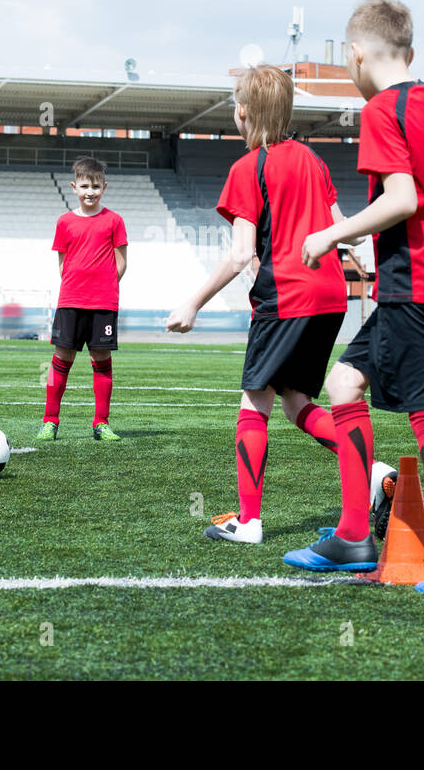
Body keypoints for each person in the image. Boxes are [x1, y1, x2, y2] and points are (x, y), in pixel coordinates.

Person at [283, 0, 424, 600]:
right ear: (410, 51)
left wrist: (332, 232)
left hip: (414, 283)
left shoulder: (383, 111)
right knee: (343, 384)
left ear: (356, 54)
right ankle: (355, 534)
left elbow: (403, 199)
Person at [166, 64, 350, 544]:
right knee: (296, 403)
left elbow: (241, 252)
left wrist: (193, 303)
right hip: (331, 296)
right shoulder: (314, 161)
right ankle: (375, 477)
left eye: (234, 101)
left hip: (286, 296)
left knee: (254, 402)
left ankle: (248, 522)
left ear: (243, 112)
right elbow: (342, 226)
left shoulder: (248, 168)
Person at [37, 156, 128, 442]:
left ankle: (101, 423)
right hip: (70, 302)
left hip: (103, 305)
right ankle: (50, 421)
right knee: (61, 359)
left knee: (101, 360)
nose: (91, 191)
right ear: (74, 187)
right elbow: (63, 264)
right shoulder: (64, 222)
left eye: (96, 186)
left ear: (105, 187)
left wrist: (105, 288)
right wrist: (76, 287)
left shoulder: (114, 220)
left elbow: (121, 262)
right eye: (85, 185)